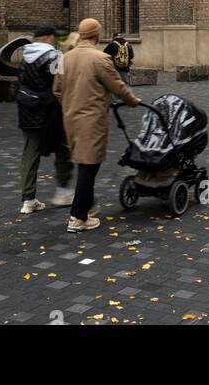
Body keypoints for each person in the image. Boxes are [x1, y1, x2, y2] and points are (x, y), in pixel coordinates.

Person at [54, 17, 141, 231]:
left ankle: (89, 207)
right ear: (97, 35)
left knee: (84, 164)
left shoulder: (65, 58)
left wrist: (69, 105)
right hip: (92, 120)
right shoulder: (100, 59)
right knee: (89, 167)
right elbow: (118, 87)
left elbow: (56, 89)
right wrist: (133, 101)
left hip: (70, 119)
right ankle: (78, 217)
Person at [17, 25, 74, 216]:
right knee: (62, 149)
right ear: (48, 37)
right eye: (54, 37)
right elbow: (60, 83)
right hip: (51, 111)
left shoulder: (25, 56)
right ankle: (63, 192)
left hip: (27, 110)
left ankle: (28, 200)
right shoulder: (54, 56)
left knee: (29, 155)